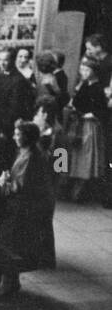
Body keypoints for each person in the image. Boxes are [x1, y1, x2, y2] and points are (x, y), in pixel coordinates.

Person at [0, 119, 56, 296]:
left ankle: (8, 283)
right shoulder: (31, 152)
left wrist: (2, 181)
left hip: (19, 209)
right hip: (24, 206)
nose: (14, 137)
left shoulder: (30, 157)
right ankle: (11, 281)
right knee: (13, 245)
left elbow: (20, 186)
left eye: (17, 134)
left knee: (10, 245)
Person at [65, 57, 108, 202]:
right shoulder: (84, 85)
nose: (83, 72)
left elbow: (100, 110)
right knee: (74, 153)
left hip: (89, 125)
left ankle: (80, 190)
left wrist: (89, 114)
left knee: (85, 155)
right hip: (78, 123)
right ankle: (72, 185)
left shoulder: (98, 88)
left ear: (93, 71)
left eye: (86, 70)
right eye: (82, 70)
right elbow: (77, 102)